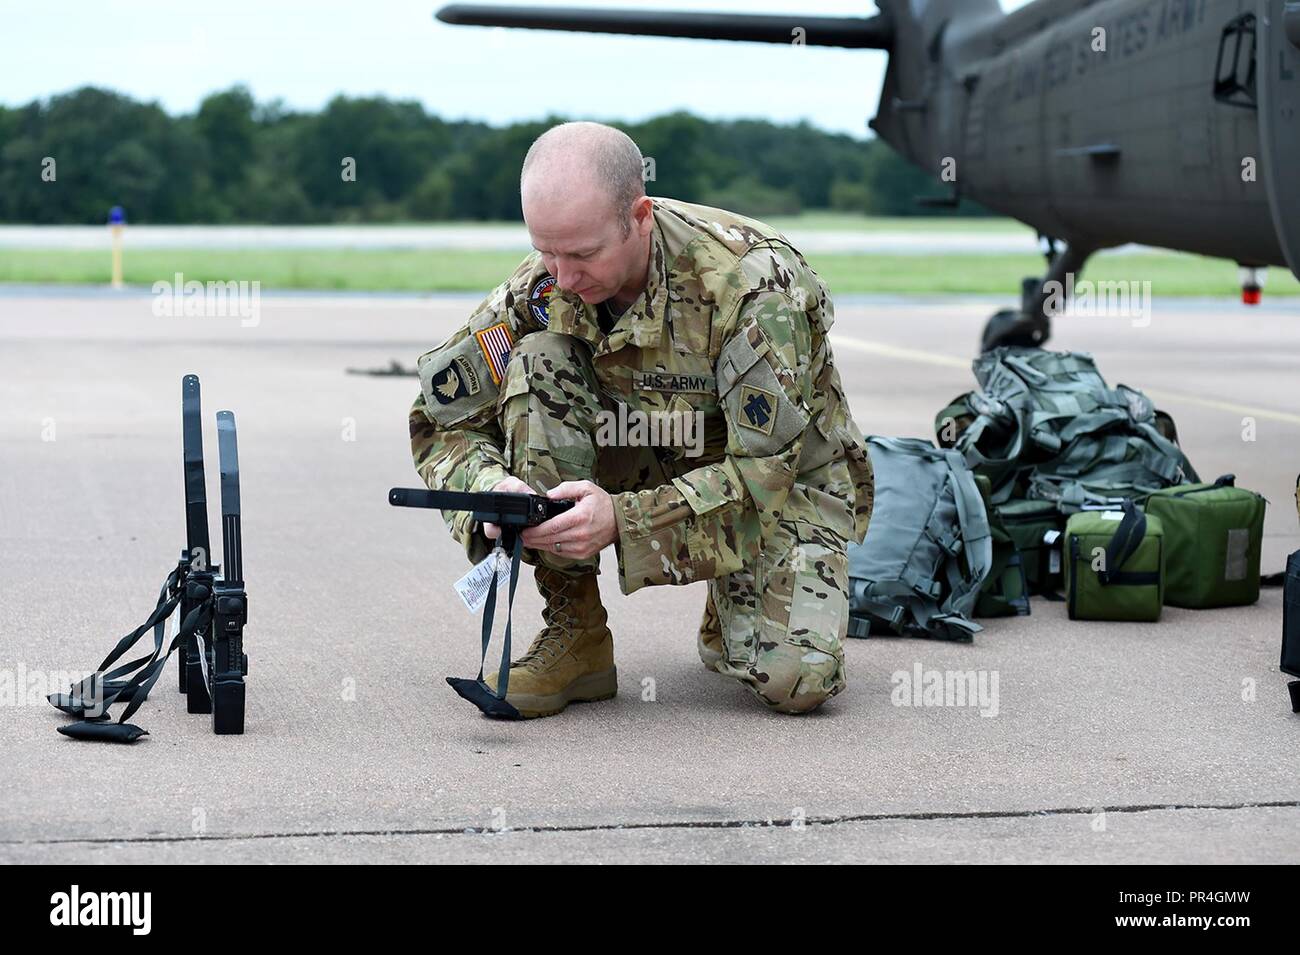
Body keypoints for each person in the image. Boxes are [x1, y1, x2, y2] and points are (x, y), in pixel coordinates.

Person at [409, 121, 872, 718]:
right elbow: (440, 417)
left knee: (796, 682)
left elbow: (766, 475)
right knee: (539, 360)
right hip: (641, 448)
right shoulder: (545, 284)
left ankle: (737, 591)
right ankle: (575, 635)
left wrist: (623, 522)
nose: (564, 276)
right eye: (546, 249)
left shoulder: (753, 287)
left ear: (640, 216)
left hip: (774, 483)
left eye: (582, 253)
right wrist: (490, 488)